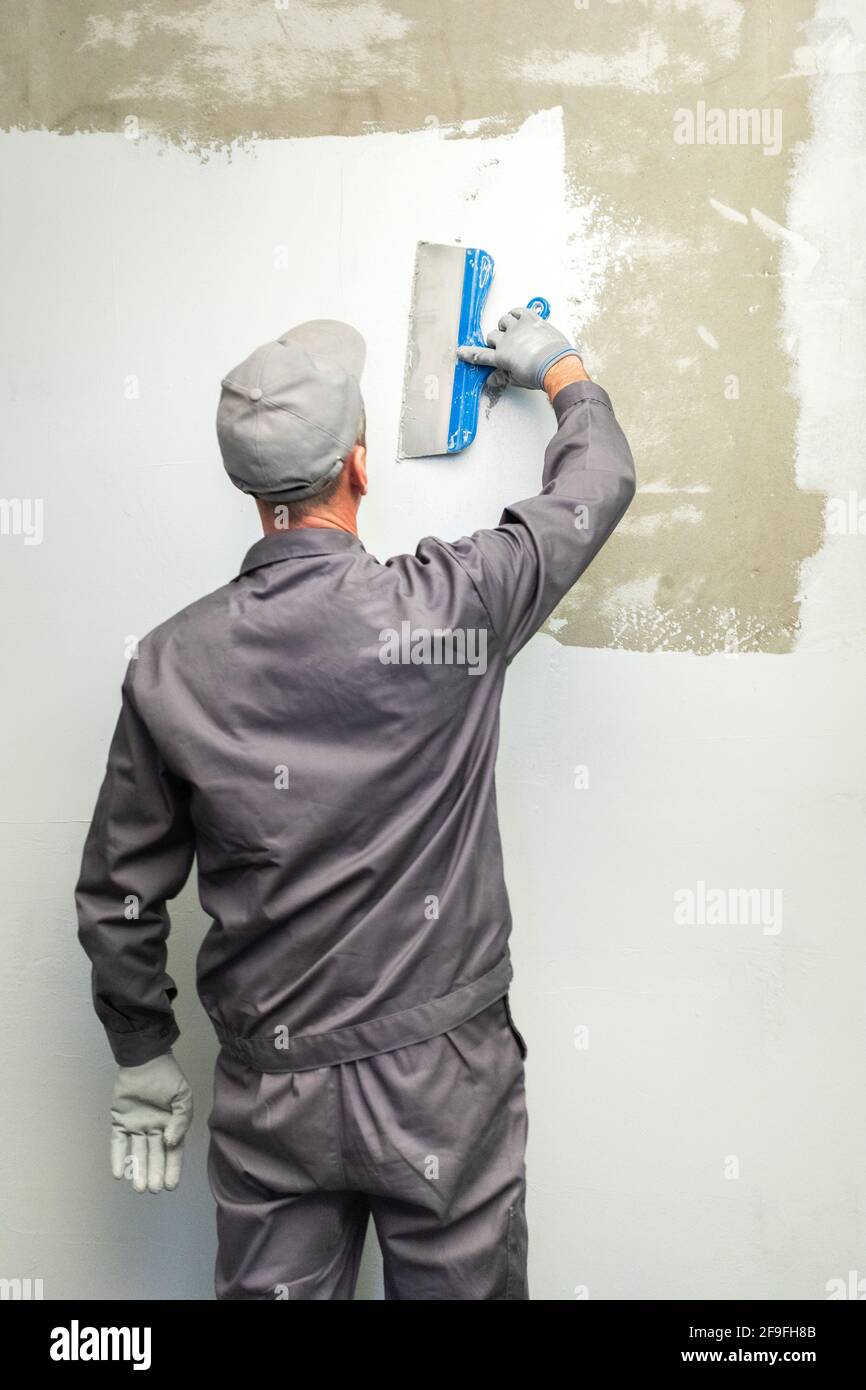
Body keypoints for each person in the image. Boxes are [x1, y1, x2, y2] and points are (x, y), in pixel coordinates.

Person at [75, 307, 636, 1300]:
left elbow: (123, 887)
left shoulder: (170, 662)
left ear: (250, 491)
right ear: (360, 468)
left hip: (271, 1093)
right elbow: (597, 486)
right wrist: (558, 372)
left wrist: (141, 1052)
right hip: (440, 1084)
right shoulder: (447, 609)